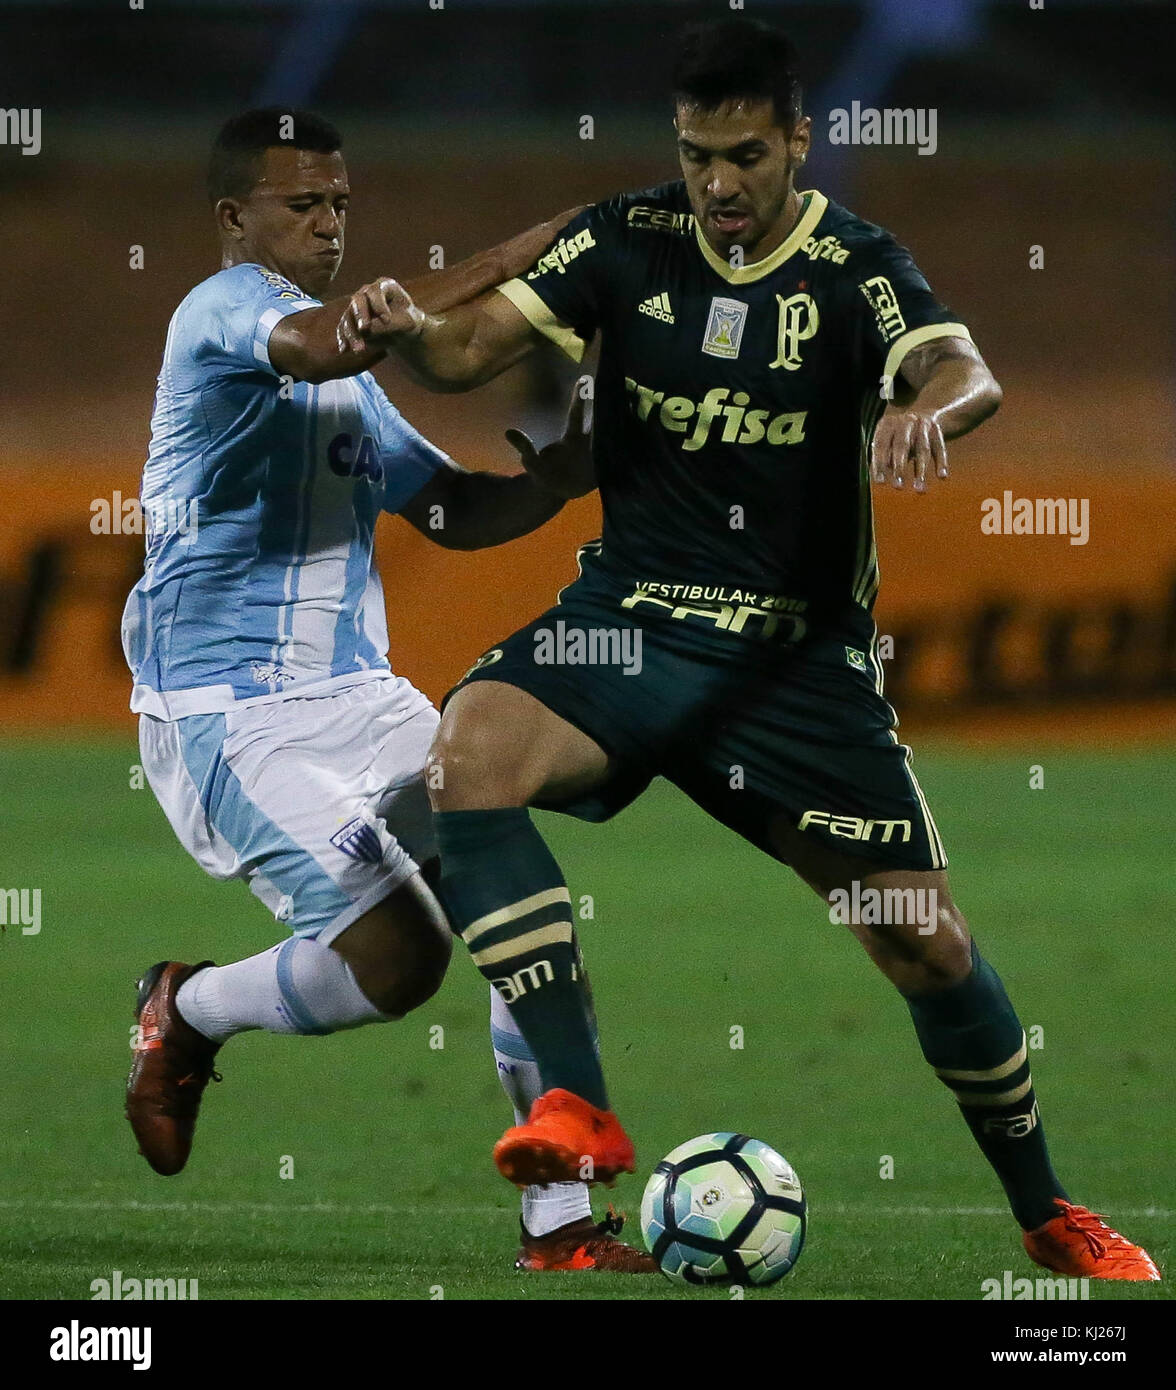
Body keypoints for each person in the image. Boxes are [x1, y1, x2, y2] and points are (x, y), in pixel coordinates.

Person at [338, 20, 1159, 1281]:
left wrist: (928, 414)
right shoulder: (626, 241)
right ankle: (576, 1108)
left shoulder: (852, 265)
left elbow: (964, 367)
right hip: (636, 620)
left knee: (925, 944)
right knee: (470, 758)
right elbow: (458, 353)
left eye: (741, 155)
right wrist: (403, 323)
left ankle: (1048, 1211)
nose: (717, 184)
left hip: (791, 669)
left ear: (796, 141)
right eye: (695, 154)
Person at [122, 107, 654, 1273]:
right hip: (229, 718)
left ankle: (559, 1218)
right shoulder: (222, 316)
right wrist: (535, 249)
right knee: (398, 965)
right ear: (234, 218)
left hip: (363, 697)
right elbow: (324, 344)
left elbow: (454, 513)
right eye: (302, 204)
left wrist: (563, 478)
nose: (326, 223)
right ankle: (188, 1008)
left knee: (512, 898)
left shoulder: (353, 388)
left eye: (340, 204)